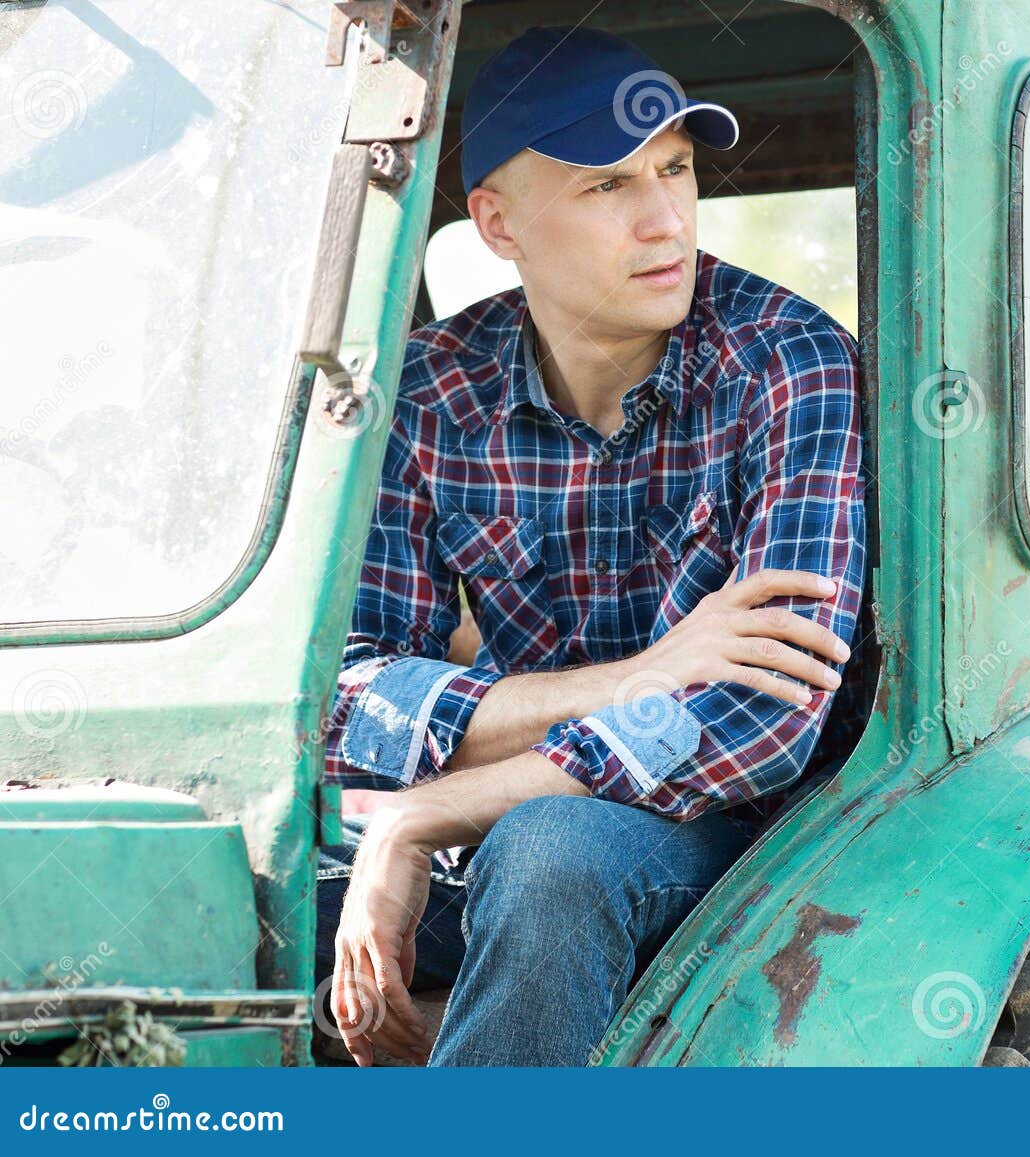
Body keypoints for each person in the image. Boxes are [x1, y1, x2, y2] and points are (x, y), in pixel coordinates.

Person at [313, 25, 868, 1066]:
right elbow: (341, 697)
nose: (665, 221)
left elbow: (758, 720)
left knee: (551, 853)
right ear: (497, 224)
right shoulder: (429, 390)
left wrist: (422, 812)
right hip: (510, 799)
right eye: (608, 186)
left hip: (742, 827)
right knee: (238, 871)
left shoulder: (789, 362)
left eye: (676, 170)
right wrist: (638, 678)